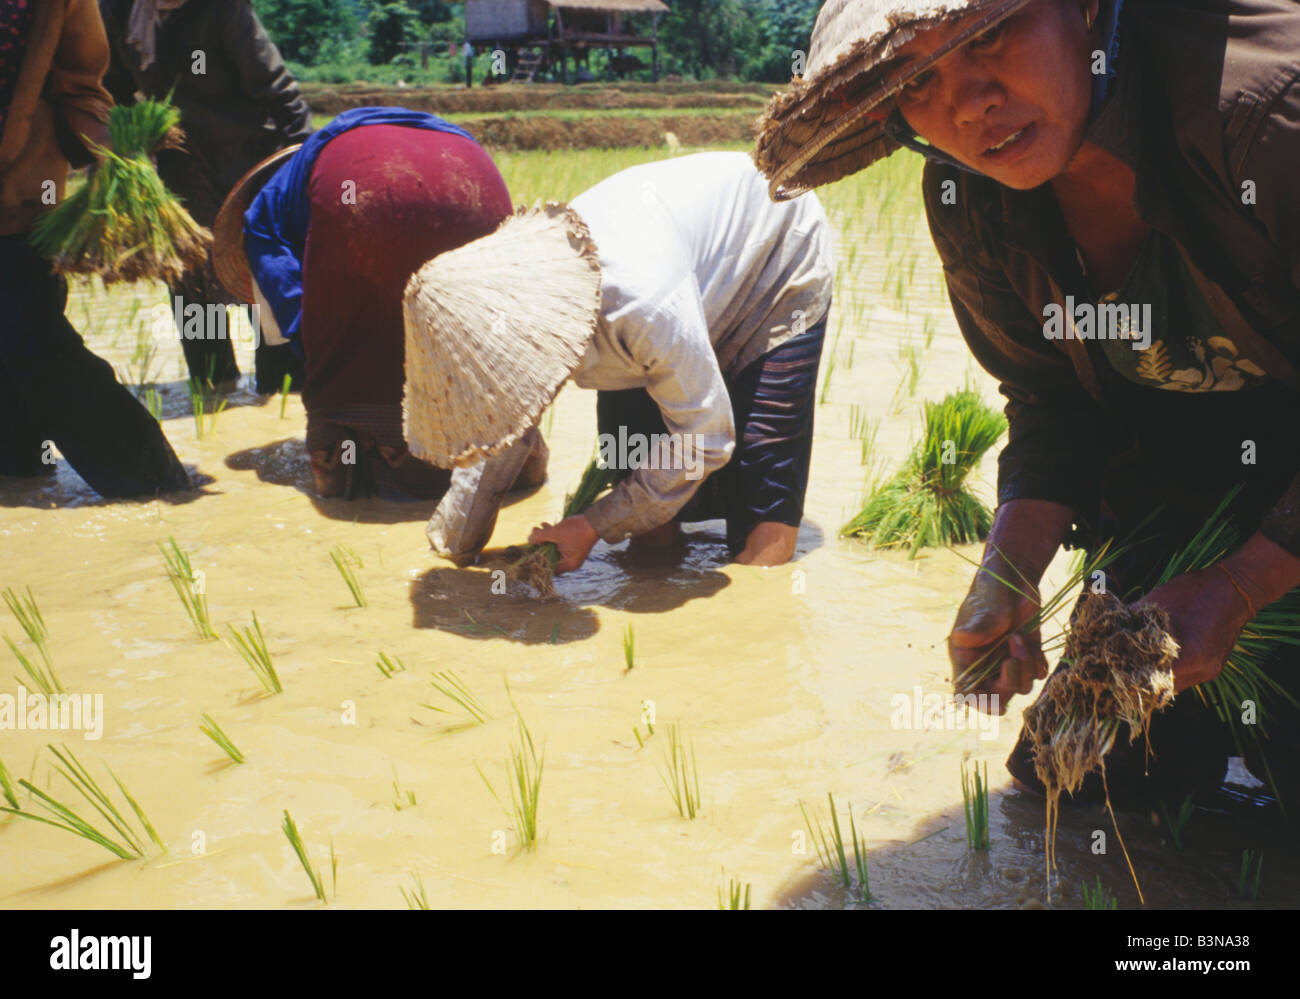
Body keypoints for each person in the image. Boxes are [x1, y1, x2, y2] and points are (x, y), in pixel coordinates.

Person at [757, 0, 1300, 806]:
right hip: (1185, 479)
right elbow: (1050, 398)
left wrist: (1244, 585)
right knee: (1078, 777)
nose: (969, 103)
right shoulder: (969, 196)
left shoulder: (1262, 118)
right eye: (917, 81)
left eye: (988, 36)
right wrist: (1007, 568)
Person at [413, 151, 834, 571]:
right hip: (679, 278)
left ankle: (760, 594)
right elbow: (503, 429)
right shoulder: (502, 312)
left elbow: (706, 438)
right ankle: (655, 568)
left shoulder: (642, 305)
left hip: (777, 254)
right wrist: (456, 547)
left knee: (764, 459)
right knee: (628, 447)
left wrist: (593, 525)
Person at [211, 107, 522, 500]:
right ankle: (506, 466)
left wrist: (319, 348)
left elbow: (285, 287)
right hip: (475, 178)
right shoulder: (345, 148)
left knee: (345, 379)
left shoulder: (267, 206)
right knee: (473, 341)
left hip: (360, 191)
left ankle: (360, 469)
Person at [0, 0, 190, 498]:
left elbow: (79, 89)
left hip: (18, 200)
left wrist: (119, 150)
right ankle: (22, 474)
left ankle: (151, 483)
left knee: (31, 339)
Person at [99, 0, 312, 393]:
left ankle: (281, 388)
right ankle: (217, 385)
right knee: (191, 280)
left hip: (246, 164)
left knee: (260, 277)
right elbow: (114, 85)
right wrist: (127, 140)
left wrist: (305, 165)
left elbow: (279, 90)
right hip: (181, 165)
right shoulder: (122, 12)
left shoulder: (224, 10)